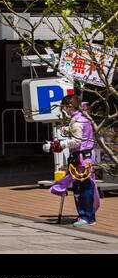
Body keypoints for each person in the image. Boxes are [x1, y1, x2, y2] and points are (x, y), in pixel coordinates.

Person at [47, 94, 101, 227]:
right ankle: (87, 215)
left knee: (83, 187)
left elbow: (77, 142)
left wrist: (61, 144)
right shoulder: (83, 117)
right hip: (85, 156)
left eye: (65, 107)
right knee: (84, 186)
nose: (64, 110)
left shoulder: (78, 121)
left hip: (82, 157)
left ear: (69, 106)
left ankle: (86, 216)